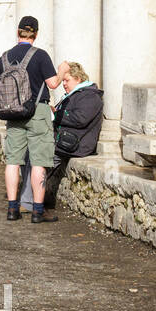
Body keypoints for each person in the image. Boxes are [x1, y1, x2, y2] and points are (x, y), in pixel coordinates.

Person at [0, 15, 62, 223]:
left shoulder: (3, 58)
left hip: (13, 113)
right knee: (39, 162)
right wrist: (61, 72)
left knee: (13, 160)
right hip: (38, 111)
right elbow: (52, 84)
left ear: (18, 32)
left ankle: (13, 208)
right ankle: (37, 211)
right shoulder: (40, 56)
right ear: (36, 34)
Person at [37, 61, 105, 210]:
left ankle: (34, 199)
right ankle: (34, 197)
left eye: (67, 80)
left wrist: (56, 114)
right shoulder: (77, 94)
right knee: (35, 154)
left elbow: (80, 119)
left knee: (42, 160)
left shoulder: (89, 96)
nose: (64, 84)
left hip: (76, 143)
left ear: (78, 78)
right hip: (67, 140)